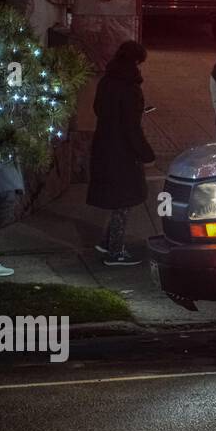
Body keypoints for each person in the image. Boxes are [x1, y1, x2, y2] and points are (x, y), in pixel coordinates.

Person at [88, 41, 155, 267]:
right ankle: (114, 251)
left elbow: (98, 109)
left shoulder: (106, 82)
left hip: (104, 145)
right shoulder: (130, 88)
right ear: (136, 62)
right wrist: (146, 153)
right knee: (124, 200)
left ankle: (108, 241)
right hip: (122, 152)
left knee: (118, 199)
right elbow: (131, 127)